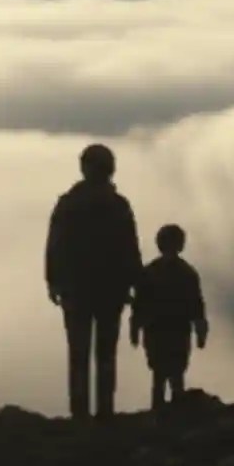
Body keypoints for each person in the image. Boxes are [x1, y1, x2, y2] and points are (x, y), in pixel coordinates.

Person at [45, 144, 143, 420]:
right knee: (106, 353)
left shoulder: (68, 204)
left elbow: (55, 245)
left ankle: (80, 414)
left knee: (79, 353)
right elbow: (130, 248)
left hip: (76, 289)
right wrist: (136, 284)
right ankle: (104, 412)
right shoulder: (118, 205)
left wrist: (53, 280)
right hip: (110, 290)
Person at [129, 224, 208, 411]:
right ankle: (168, 411)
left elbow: (196, 306)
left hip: (168, 329)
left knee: (168, 373)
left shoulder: (155, 272)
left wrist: (135, 328)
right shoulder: (183, 273)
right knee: (166, 373)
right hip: (164, 330)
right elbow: (139, 303)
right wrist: (135, 327)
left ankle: (166, 410)